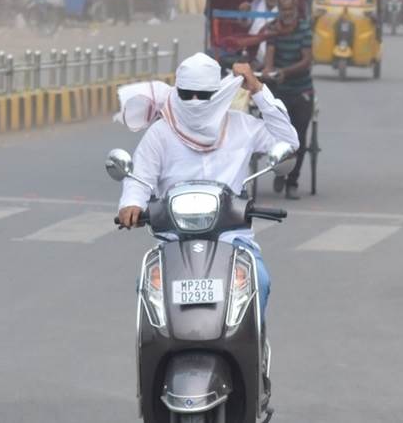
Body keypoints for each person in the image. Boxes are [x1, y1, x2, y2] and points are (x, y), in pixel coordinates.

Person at [115, 53, 300, 319]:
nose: (193, 102)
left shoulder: (242, 126)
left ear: (218, 93)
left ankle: (252, 353)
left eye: (202, 95)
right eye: (187, 94)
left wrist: (258, 90)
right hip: (174, 240)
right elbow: (139, 176)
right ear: (177, 92)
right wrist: (131, 204)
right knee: (146, 288)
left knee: (260, 281)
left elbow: (289, 143)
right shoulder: (161, 133)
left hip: (232, 239)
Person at [262, 0, 314, 200]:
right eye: (283, 10)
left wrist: (285, 72)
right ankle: (280, 172)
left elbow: (306, 61)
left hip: (301, 89)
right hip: (279, 92)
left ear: (296, 9)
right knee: (278, 137)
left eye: (290, 9)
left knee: (299, 139)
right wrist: (268, 71)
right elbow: (269, 56)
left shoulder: (304, 29)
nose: (287, 13)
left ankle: (292, 182)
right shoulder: (273, 29)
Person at [240, 0, 283, 64]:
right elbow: (245, 24)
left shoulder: (284, 7)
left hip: (277, 57)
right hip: (253, 55)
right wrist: (244, 14)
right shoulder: (256, 3)